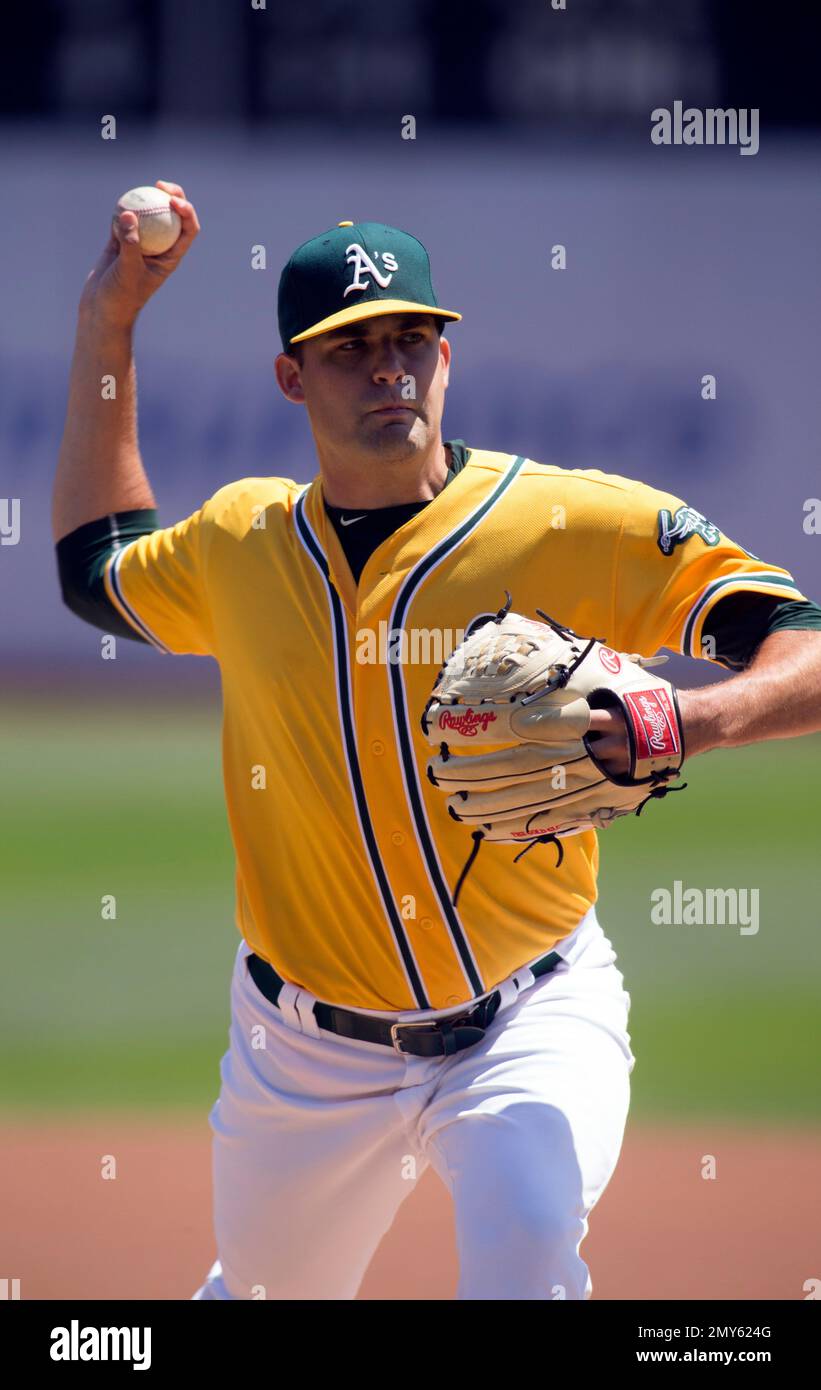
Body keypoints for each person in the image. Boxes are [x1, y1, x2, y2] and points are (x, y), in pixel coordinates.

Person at [53, 182, 821, 1300]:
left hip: (528, 1013)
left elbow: (799, 639)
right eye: (351, 346)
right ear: (290, 377)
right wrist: (107, 321)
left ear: (446, 358)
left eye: (411, 337)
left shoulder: (564, 520)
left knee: (523, 1252)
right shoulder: (240, 542)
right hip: (303, 1056)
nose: (387, 367)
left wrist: (689, 717)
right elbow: (94, 571)